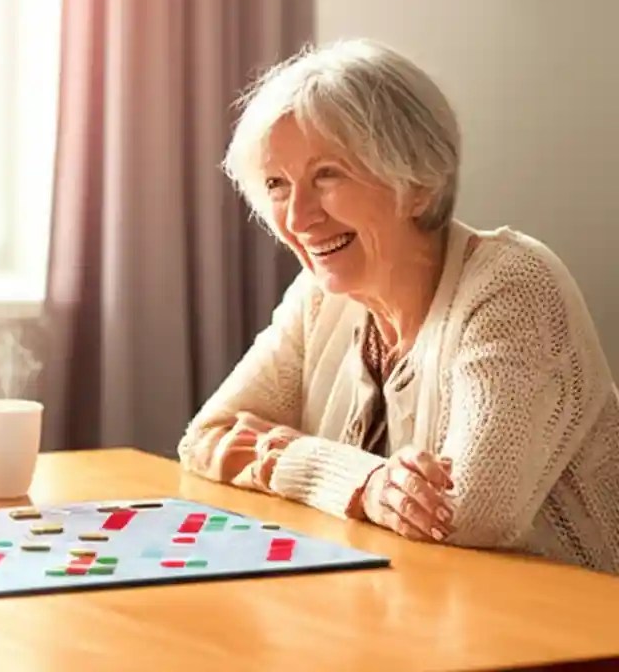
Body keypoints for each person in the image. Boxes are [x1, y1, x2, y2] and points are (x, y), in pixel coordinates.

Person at [177, 38, 619, 574]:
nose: (297, 216)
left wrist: (281, 458)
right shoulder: (320, 298)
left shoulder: (511, 286)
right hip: (413, 615)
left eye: (327, 176)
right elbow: (206, 438)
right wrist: (361, 482)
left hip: (577, 636)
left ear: (417, 183)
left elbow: (466, 512)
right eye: (276, 183)